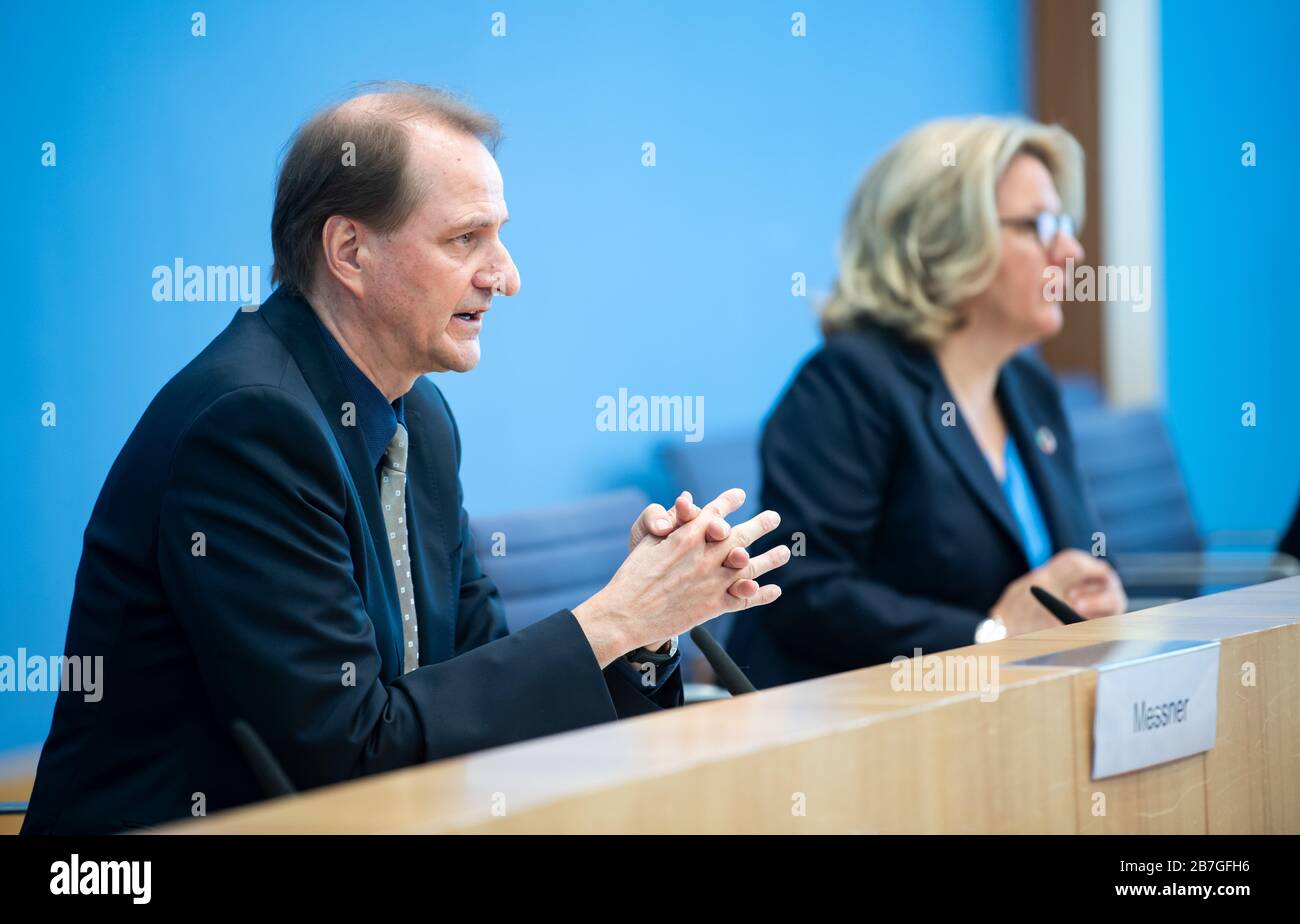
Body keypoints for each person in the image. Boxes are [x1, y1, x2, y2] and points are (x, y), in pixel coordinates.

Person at [22, 83, 789, 833]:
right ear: (349, 250)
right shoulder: (248, 427)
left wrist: (648, 629)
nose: (507, 277)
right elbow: (348, 759)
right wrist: (610, 620)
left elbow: (488, 679)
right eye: (466, 239)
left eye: (500, 235)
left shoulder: (417, 412)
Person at [727, 116, 1125, 689]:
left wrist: (1100, 589)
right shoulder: (848, 383)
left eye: (1064, 222)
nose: (1072, 249)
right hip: (866, 728)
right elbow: (804, 591)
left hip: (1018, 709)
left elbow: (1070, 556)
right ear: (945, 241)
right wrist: (989, 634)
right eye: (1040, 225)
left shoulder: (1029, 385)